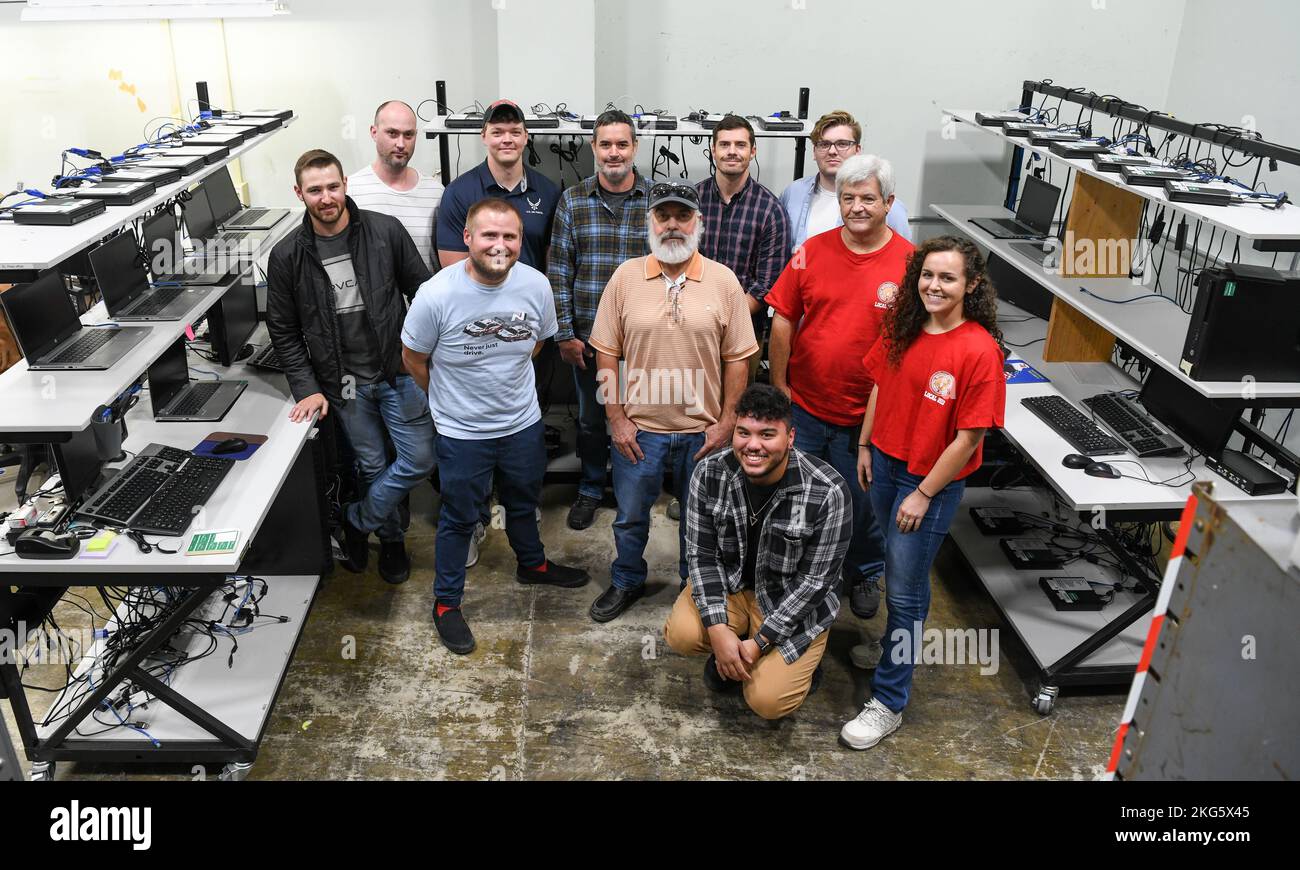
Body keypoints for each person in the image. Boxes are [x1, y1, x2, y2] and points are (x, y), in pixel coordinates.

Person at [402, 198, 590, 655]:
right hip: (462, 431)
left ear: (520, 241)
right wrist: (449, 403)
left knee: (524, 502)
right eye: (489, 235)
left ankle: (532, 564)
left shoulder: (536, 285)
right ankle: (447, 603)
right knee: (459, 518)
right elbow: (413, 358)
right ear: (467, 238)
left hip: (521, 423)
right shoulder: (436, 294)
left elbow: (537, 343)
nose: (499, 245)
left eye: (509, 236)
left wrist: (502, 386)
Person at [840, 236, 1006, 750]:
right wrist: (865, 444)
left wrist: (925, 494)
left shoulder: (979, 350)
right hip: (885, 465)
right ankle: (899, 648)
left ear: (971, 285)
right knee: (900, 576)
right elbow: (878, 388)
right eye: (928, 275)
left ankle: (889, 701)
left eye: (948, 277)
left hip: (927, 482)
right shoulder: (903, 326)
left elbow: (970, 437)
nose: (934, 285)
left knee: (906, 593)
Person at [585, 182, 758, 623]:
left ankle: (693, 586)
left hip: (704, 433)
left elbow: (739, 359)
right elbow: (607, 352)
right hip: (640, 432)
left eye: (683, 216)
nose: (673, 225)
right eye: (664, 216)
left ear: (698, 222)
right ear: (651, 223)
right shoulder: (626, 278)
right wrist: (616, 417)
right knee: (629, 517)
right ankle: (626, 579)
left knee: (701, 522)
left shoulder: (723, 281)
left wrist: (726, 424)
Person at [267, 148, 433, 585]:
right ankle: (393, 542)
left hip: (397, 371)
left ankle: (356, 520)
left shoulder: (384, 231)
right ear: (299, 193)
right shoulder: (287, 257)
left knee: (420, 459)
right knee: (373, 467)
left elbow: (424, 294)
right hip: (343, 384)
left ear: (345, 186)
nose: (327, 197)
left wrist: (428, 358)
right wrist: (306, 387)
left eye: (333, 186)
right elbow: (283, 332)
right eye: (316, 189)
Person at [766, 154, 913, 621]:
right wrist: (778, 387)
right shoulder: (813, 250)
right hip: (806, 406)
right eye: (848, 198)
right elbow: (784, 319)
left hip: (868, 418)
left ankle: (866, 571)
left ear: (888, 203)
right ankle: (804, 569)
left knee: (863, 501)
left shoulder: (911, 264)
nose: (857, 207)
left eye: (868, 198)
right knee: (798, 495)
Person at [665, 384, 850, 720]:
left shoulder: (827, 491)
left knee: (767, 702)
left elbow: (813, 584)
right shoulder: (709, 473)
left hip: (788, 602)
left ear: (790, 437)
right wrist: (719, 631)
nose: (753, 445)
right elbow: (701, 556)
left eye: (767, 434)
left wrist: (759, 643)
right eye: (743, 433)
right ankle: (733, 645)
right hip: (734, 589)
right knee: (682, 635)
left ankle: (794, 661)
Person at [549, 109, 651, 531]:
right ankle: (591, 488)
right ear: (594, 148)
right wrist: (565, 334)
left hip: (646, 342)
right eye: (605, 144)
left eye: (622, 144)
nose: (614, 153)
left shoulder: (657, 202)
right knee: (593, 420)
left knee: (644, 418)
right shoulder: (573, 201)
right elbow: (558, 271)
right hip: (591, 343)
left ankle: (636, 490)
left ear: (634, 148)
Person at [695, 114, 791, 360]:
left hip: (744, 333)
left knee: (737, 400)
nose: (732, 152)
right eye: (725, 145)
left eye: (740, 145)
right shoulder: (692, 201)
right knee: (689, 398)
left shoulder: (771, 210)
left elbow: (766, 285)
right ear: (712, 150)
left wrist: (722, 320)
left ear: (753, 151)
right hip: (691, 329)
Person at [436, 99, 560, 270]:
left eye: (515, 132)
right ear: (483, 136)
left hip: (529, 296)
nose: (507, 139)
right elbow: (453, 270)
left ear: (526, 137)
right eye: (497, 133)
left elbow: (553, 263)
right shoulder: (458, 193)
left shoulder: (549, 193)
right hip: (479, 296)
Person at [779, 110, 910, 250]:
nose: (832, 151)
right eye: (824, 144)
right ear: (814, 151)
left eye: (842, 144)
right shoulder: (793, 193)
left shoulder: (887, 206)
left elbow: (903, 257)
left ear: (858, 150)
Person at [348, 100, 444, 269]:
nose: (401, 144)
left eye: (408, 135)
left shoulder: (435, 192)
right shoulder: (351, 191)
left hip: (426, 294)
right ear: (374, 132)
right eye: (392, 133)